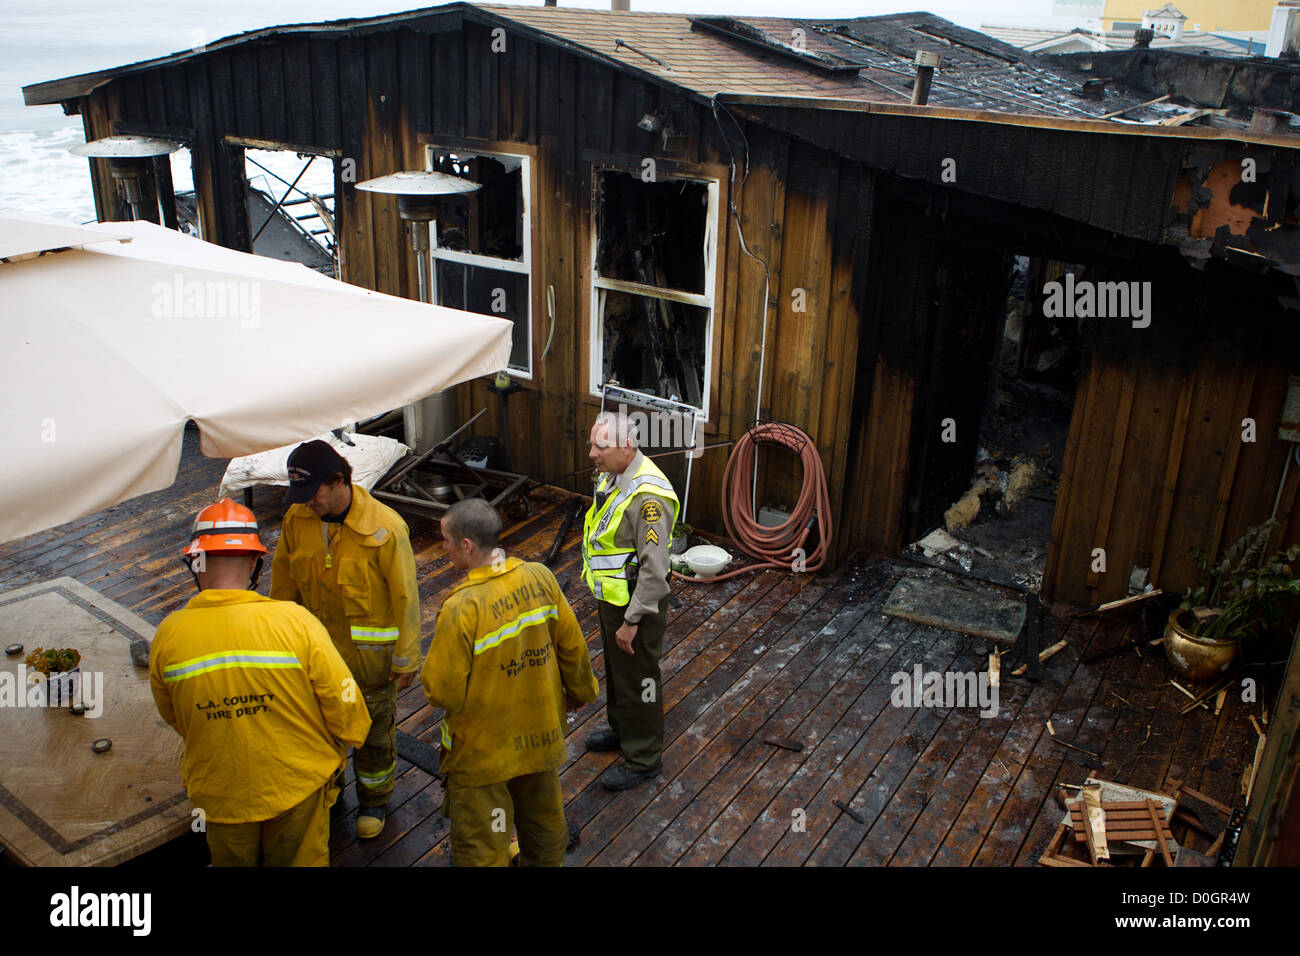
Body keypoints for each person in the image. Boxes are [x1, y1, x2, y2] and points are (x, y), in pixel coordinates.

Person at [149, 498, 371, 867]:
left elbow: (174, 714)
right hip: (296, 785)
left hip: (221, 791)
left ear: (195, 562)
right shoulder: (294, 621)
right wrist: (350, 737)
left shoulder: (169, 636)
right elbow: (344, 699)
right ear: (255, 562)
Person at [420, 498, 599, 866]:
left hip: (484, 752)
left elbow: (442, 691)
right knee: (544, 823)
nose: (444, 547)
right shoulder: (540, 577)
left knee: (484, 840)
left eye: (446, 540)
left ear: (466, 546)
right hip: (539, 735)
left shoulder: (461, 608)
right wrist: (581, 692)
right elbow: (572, 646)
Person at [270, 440, 420, 839]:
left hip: (370, 669)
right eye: (300, 495)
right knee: (319, 733)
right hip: (315, 663)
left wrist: (406, 658)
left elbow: (407, 597)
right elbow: (283, 586)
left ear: (339, 480)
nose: (308, 503)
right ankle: (328, 792)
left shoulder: (386, 529)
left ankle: (374, 800)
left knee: (373, 738)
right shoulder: (296, 520)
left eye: (314, 492)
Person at [581, 410, 679, 790]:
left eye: (600, 446)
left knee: (640, 681)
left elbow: (655, 572)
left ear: (627, 446)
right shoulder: (616, 474)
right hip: (615, 599)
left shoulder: (648, 498)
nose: (592, 453)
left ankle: (643, 759)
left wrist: (632, 620)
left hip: (637, 607)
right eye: (592, 443)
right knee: (619, 673)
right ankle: (621, 730)